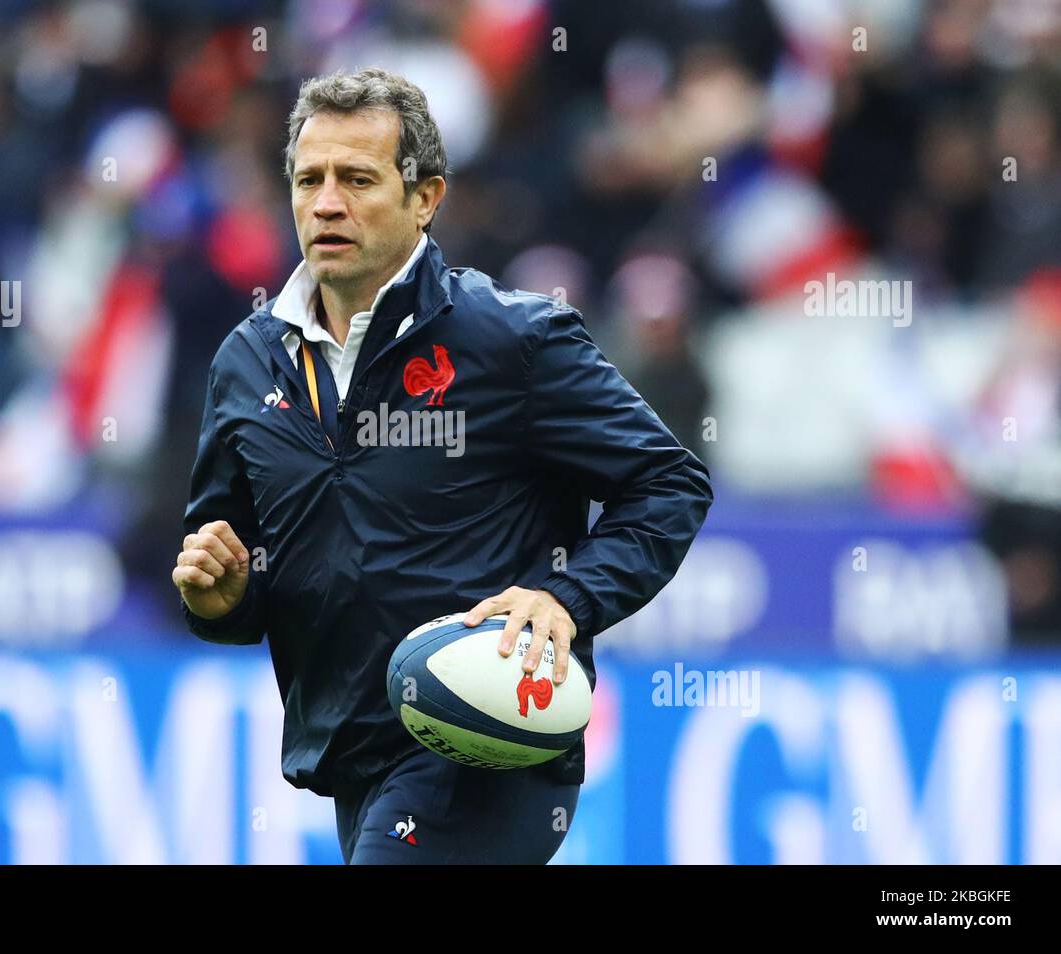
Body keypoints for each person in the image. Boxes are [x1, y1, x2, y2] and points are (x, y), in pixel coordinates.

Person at [172, 67, 713, 864]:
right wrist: (221, 599)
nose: (327, 203)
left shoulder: (513, 341)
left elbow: (669, 483)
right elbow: (243, 573)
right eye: (308, 179)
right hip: (351, 759)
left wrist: (568, 597)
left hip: (487, 742)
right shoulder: (247, 364)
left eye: (357, 179)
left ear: (425, 197)